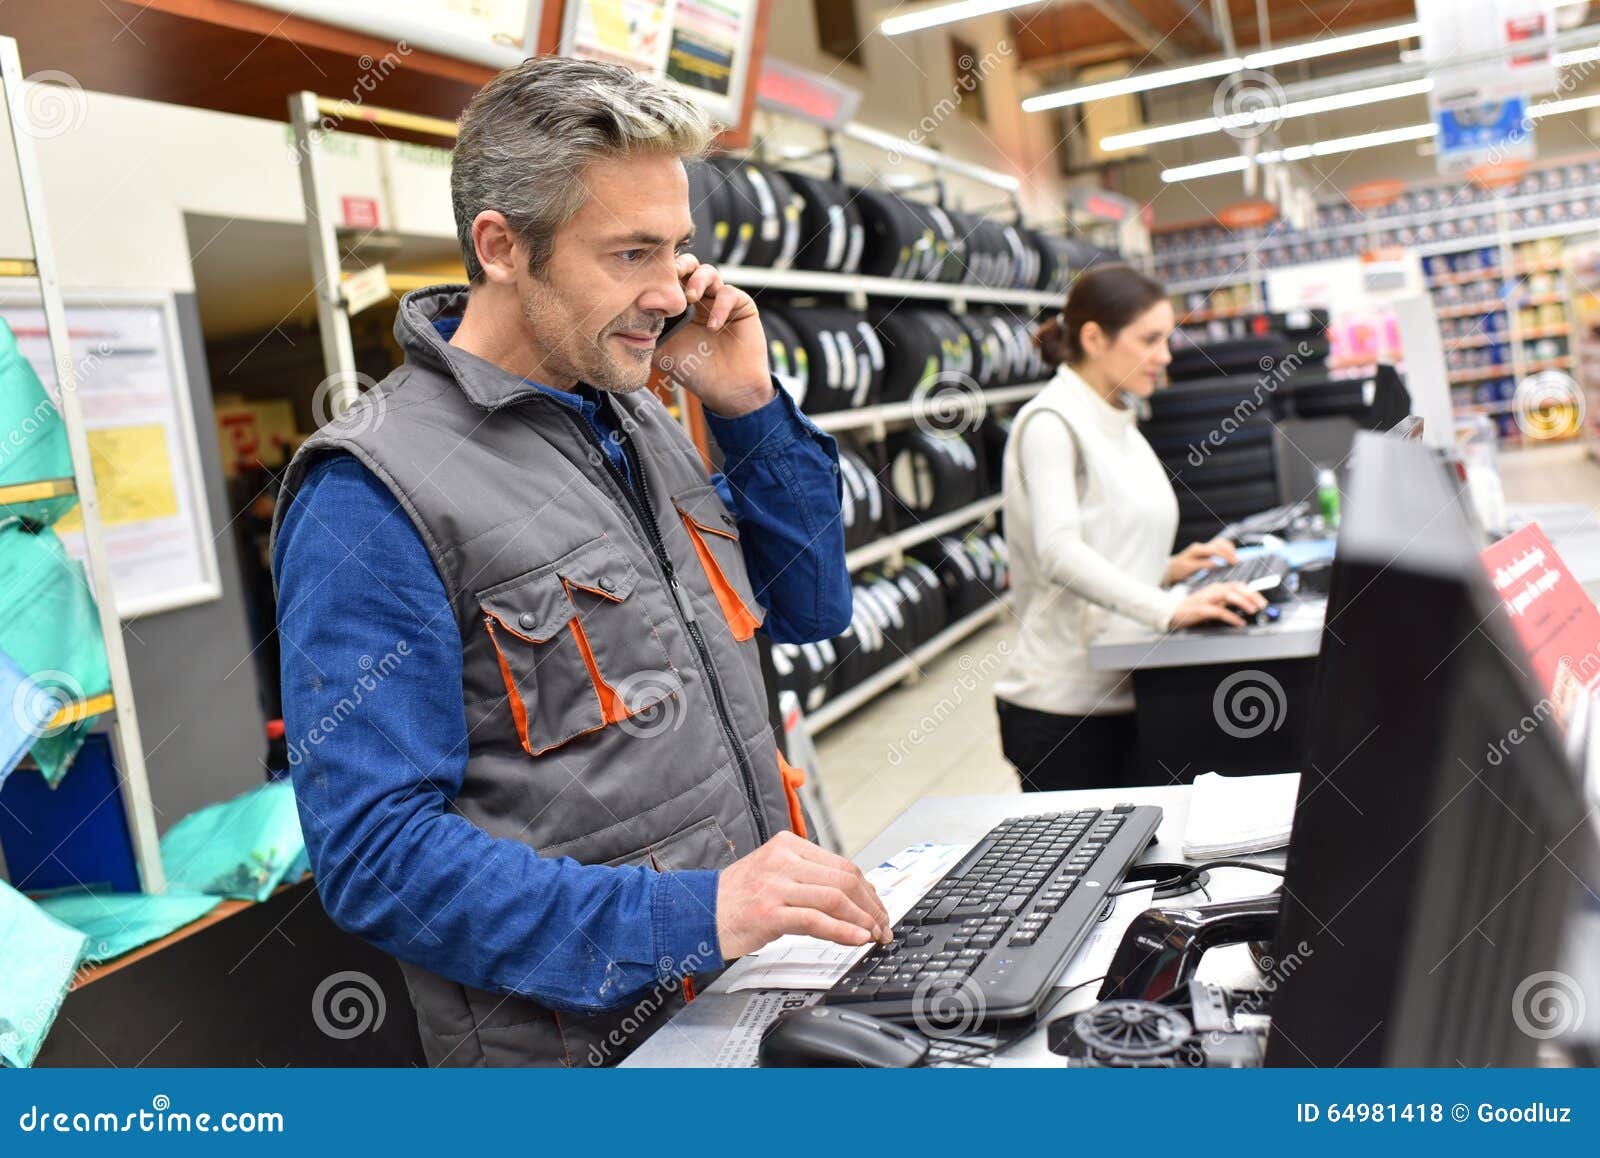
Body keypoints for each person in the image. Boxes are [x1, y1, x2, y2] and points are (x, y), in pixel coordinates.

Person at [270, 56, 892, 1068]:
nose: (668, 291)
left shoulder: (637, 416)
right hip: (584, 1054)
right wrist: (691, 913)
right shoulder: (371, 491)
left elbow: (811, 605)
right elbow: (374, 857)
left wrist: (749, 412)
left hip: (743, 995)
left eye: (679, 249)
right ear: (502, 246)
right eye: (630, 254)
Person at [992, 264, 1268, 791]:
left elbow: (1104, 545)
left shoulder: (1118, 417)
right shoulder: (1051, 423)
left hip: (1124, 687)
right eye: (1150, 339)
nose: (1165, 355)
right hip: (1065, 711)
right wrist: (1169, 608)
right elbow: (1057, 552)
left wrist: (1168, 569)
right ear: (1094, 337)